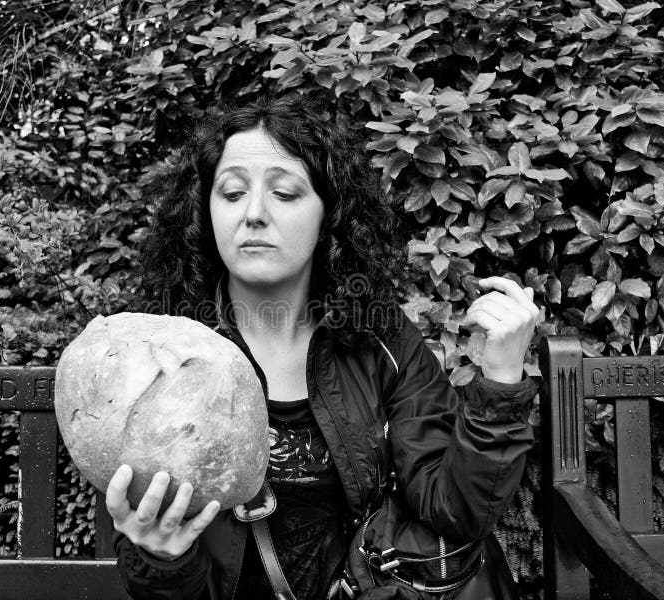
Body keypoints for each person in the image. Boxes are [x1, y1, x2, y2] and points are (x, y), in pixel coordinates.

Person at [105, 95, 539, 600]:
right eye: (231, 193)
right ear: (205, 211)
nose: (254, 215)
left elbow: (458, 511)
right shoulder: (162, 359)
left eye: (285, 194)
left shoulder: (381, 341)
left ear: (328, 214)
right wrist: (162, 558)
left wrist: (501, 379)